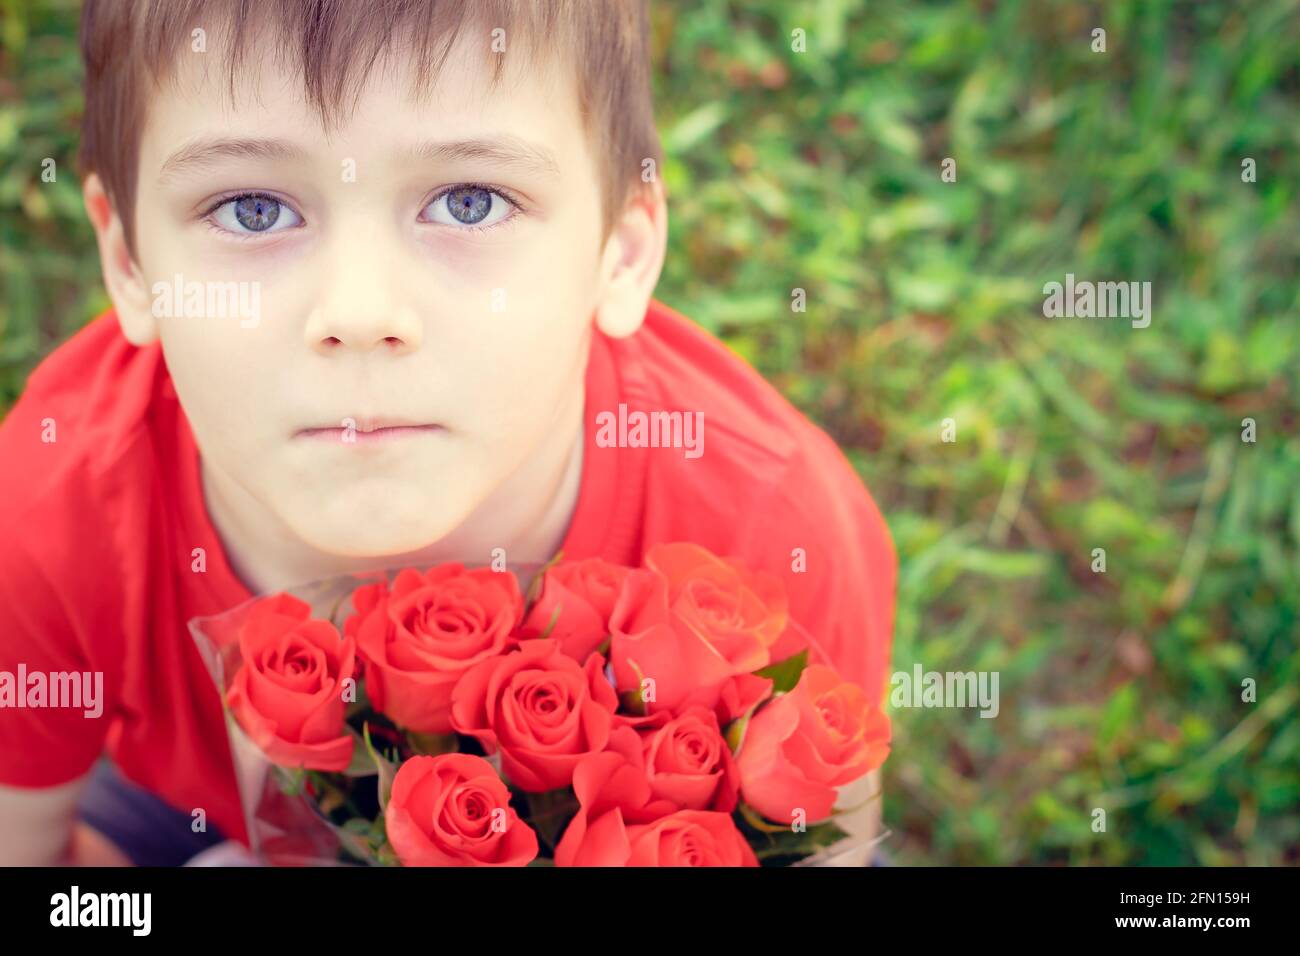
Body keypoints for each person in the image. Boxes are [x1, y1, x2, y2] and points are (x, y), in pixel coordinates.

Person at [0, 0, 894, 866]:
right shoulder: (49, 521)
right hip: (204, 803)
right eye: (252, 209)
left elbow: (823, 842)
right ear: (129, 261)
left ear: (620, 250)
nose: (359, 313)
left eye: (469, 202)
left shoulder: (765, 531)